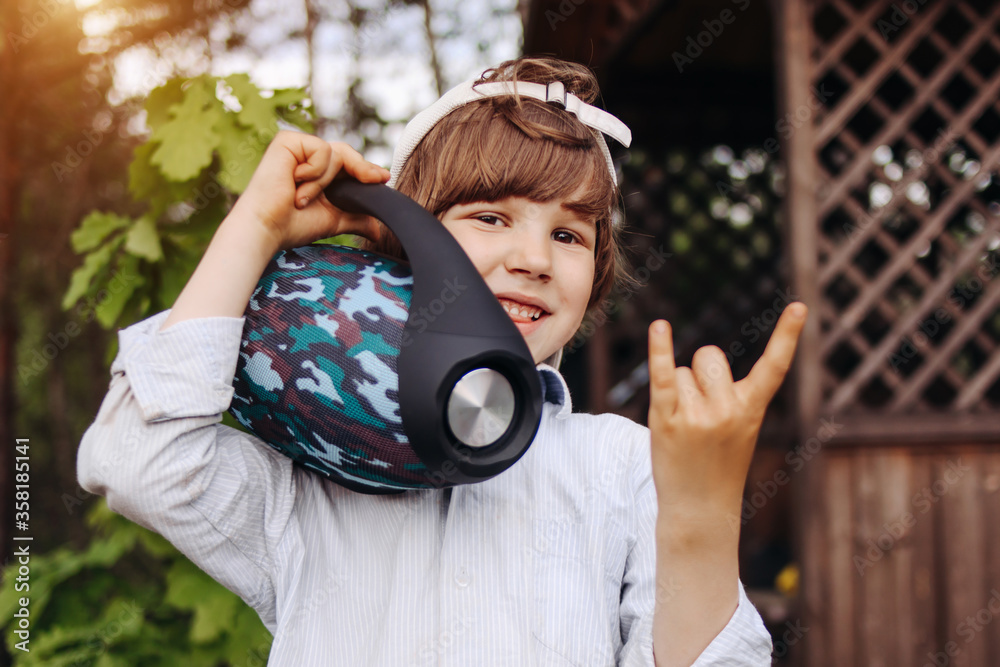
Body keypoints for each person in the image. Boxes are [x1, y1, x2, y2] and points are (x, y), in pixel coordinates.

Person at [77, 56, 807, 666]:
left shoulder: (624, 466)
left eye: (570, 235)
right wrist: (257, 229)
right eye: (491, 217)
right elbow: (142, 459)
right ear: (409, 241)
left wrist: (701, 515)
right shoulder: (320, 475)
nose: (533, 259)